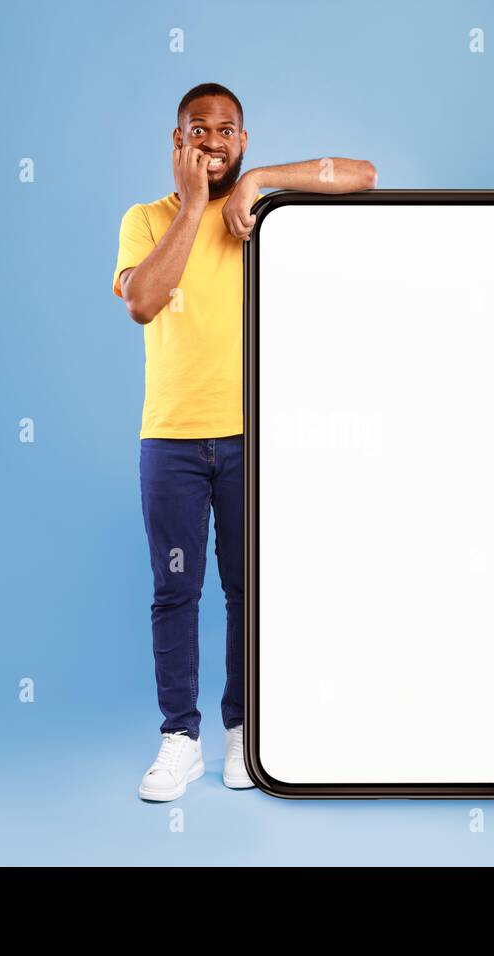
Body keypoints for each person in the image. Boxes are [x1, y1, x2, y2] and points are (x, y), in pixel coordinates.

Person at [113, 82, 377, 801]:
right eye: (199, 129)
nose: (214, 140)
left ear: (244, 140)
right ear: (178, 143)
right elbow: (141, 302)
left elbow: (363, 176)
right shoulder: (146, 220)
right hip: (170, 438)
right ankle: (180, 740)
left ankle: (241, 730)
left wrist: (257, 184)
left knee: (247, 591)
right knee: (176, 591)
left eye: (228, 130)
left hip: (251, 440)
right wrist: (194, 207)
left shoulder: (263, 214)